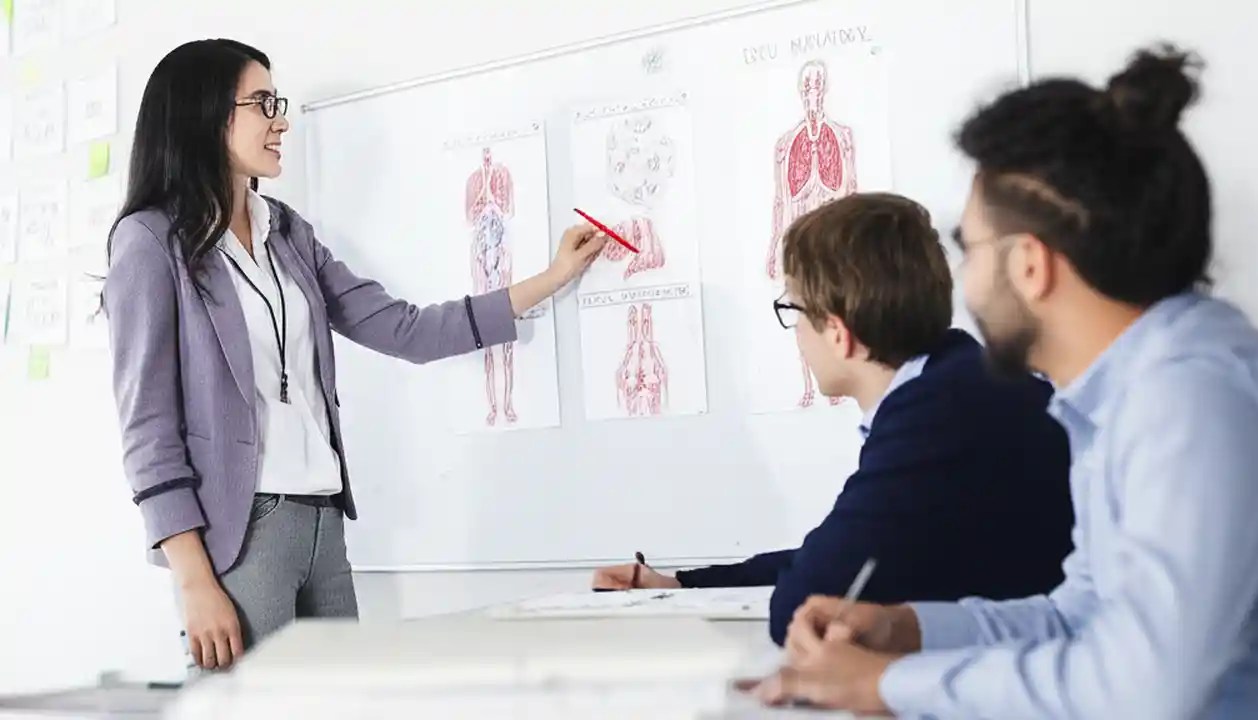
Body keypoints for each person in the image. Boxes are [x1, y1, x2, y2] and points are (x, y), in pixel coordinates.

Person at [758, 46, 1258, 719]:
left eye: (969, 249)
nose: (963, 285)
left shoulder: (1190, 399)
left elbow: (1143, 688)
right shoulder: (1116, 400)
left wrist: (884, 686)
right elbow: (1081, 617)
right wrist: (907, 628)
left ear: (1030, 267)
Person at [103, 39, 606, 672]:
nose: (281, 119)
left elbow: (407, 330)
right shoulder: (151, 242)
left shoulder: (286, 233)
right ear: (204, 113)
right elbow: (147, 429)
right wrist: (194, 580)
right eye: (263, 103)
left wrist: (552, 276)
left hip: (323, 524)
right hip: (241, 535)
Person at [593, 192, 1075, 645]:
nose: (796, 331)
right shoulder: (960, 382)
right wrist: (679, 583)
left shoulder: (936, 413)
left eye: (794, 309)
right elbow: (845, 547)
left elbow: (803, 607)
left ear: (839, 334)